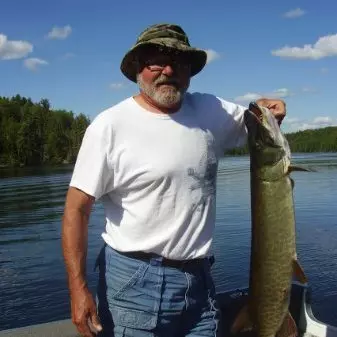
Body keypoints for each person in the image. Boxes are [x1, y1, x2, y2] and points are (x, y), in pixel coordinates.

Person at [61, 23, 286, 337]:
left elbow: (259, 119)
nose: (168, 70)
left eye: (179, 62)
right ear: (139, 68)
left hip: (200, 281)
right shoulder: (110, 125)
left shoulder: (211, 110)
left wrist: (271, 108)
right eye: (156, 62)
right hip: (134, 283)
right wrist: (77, 289)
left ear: (189, 71)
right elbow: (76, 211)